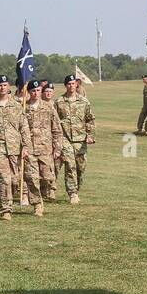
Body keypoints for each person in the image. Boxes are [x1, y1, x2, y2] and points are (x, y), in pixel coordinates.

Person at [0, 75, 33, 222]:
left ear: (8, 87)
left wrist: (26, 146)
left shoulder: (17, 105)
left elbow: (24, 128)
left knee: (14, 180)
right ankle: (5, 209)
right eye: (0, 86)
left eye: (5, 85)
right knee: (4, 179)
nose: (2, 88)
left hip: (15, 148)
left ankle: (9, 200)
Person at [54, 73, 95, 203]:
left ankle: (77, 189)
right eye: (69, 84)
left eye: (73, 84)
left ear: (76, 85)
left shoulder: (84, 101)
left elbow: (90, 119)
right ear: (65, 86)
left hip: (80, 139)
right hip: (65, 138)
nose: (71, 86)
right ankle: (72, 193)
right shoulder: (59, 102)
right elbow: (54, 121)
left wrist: (90, 135)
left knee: (80, 167)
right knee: (70, 165)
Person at [24, 80, 61, 216]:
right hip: (29, 149)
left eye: (38, 90)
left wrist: (57, 147)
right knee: (31, 178)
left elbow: (57, 129)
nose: (36, 93)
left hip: (45, 149)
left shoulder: (48, 107)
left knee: (47, 177)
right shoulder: (24, 108)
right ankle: (37, 204)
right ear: (29, 92)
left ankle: (46, 192)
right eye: (33, 91)